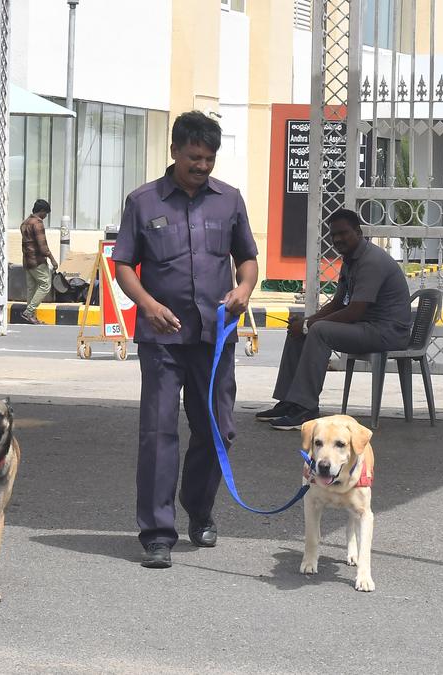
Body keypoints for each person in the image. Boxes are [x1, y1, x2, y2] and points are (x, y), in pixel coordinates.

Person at [112, 110, 259, 569]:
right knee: (157, 432)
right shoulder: (143, 201)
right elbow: (122, 266)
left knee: (218, 428)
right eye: (194, 157)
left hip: (214, 339)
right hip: (162, 340)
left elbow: (248, 259)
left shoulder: (229, 201)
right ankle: (157, 533)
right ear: (174, 150)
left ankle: (199, 508)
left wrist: (244, 289)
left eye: (209, 158)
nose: (201, 166)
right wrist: (148, 305)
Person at [256, 209, 411, 431]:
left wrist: (310, 325)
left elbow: (354, 312)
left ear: (358, 232)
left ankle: (306, 409)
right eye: (334, 235)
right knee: (298, 331)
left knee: (318, 331)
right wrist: (305, 322)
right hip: (367, 327)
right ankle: (289, 401)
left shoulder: (371, 261)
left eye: (343, 233)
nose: (338, 239)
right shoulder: (351, 259)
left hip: (386, 332)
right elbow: (338, 303)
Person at [19, 199, 57, 324]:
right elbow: (42, 245)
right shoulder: (37, 223)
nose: (46, 216)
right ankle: (29, 312)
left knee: (32, 288)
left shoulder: (25, 223)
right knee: (45, 284)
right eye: (46, 213)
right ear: (42, 211)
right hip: (37, 260)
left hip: (27, 260)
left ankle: (31, 316)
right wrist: (52, 259)